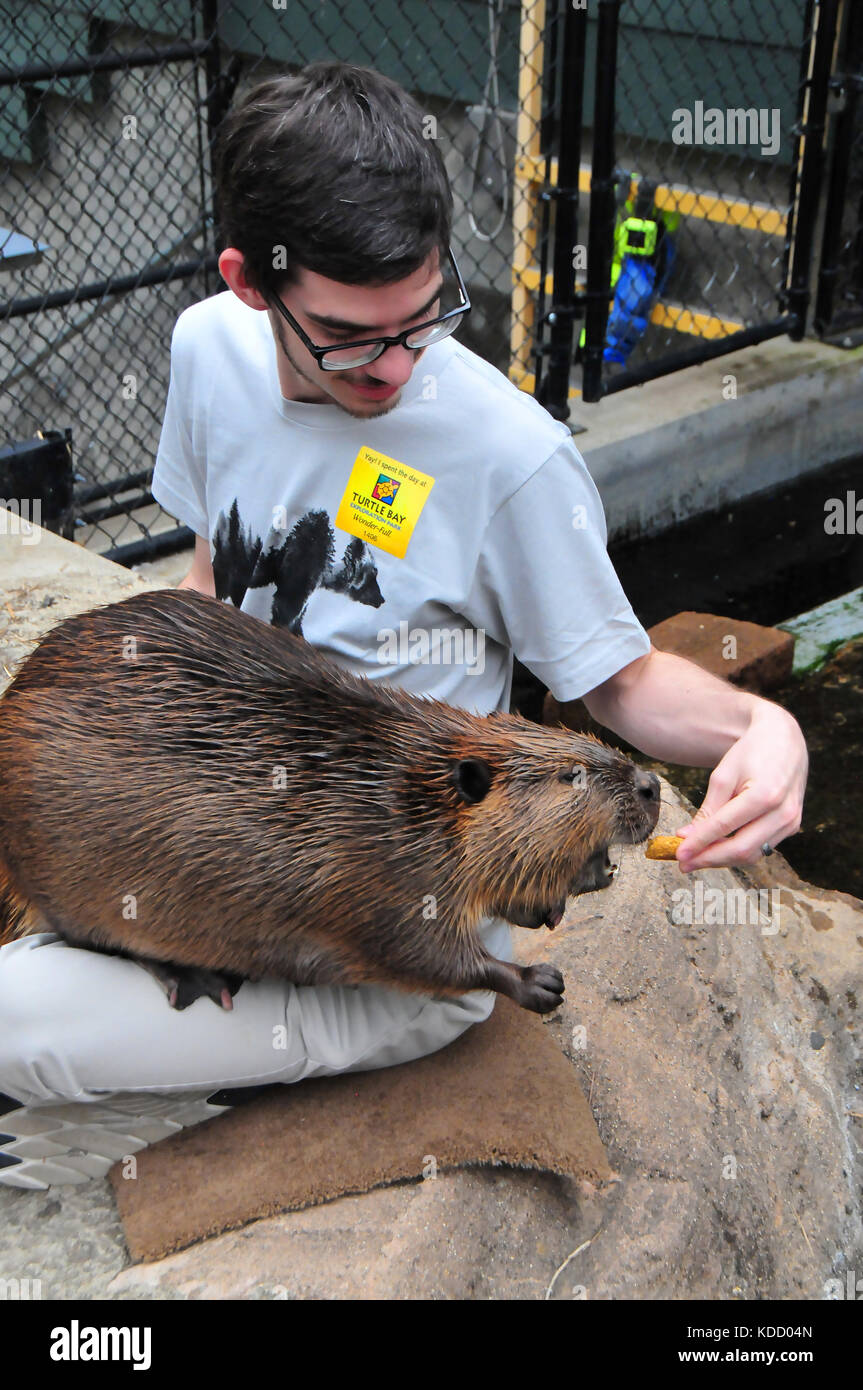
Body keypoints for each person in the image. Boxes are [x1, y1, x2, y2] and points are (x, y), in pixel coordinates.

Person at [0, 61, 807, 1189]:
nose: (393, 364)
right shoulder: (201, 350)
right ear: (247, 282)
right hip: (236, 839)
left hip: (403, 929)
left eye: (423, 315)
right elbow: (208, 583)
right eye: (346, 335)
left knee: (13, 1023)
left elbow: (618, 684)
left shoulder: (508, 454)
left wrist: (760, 730)